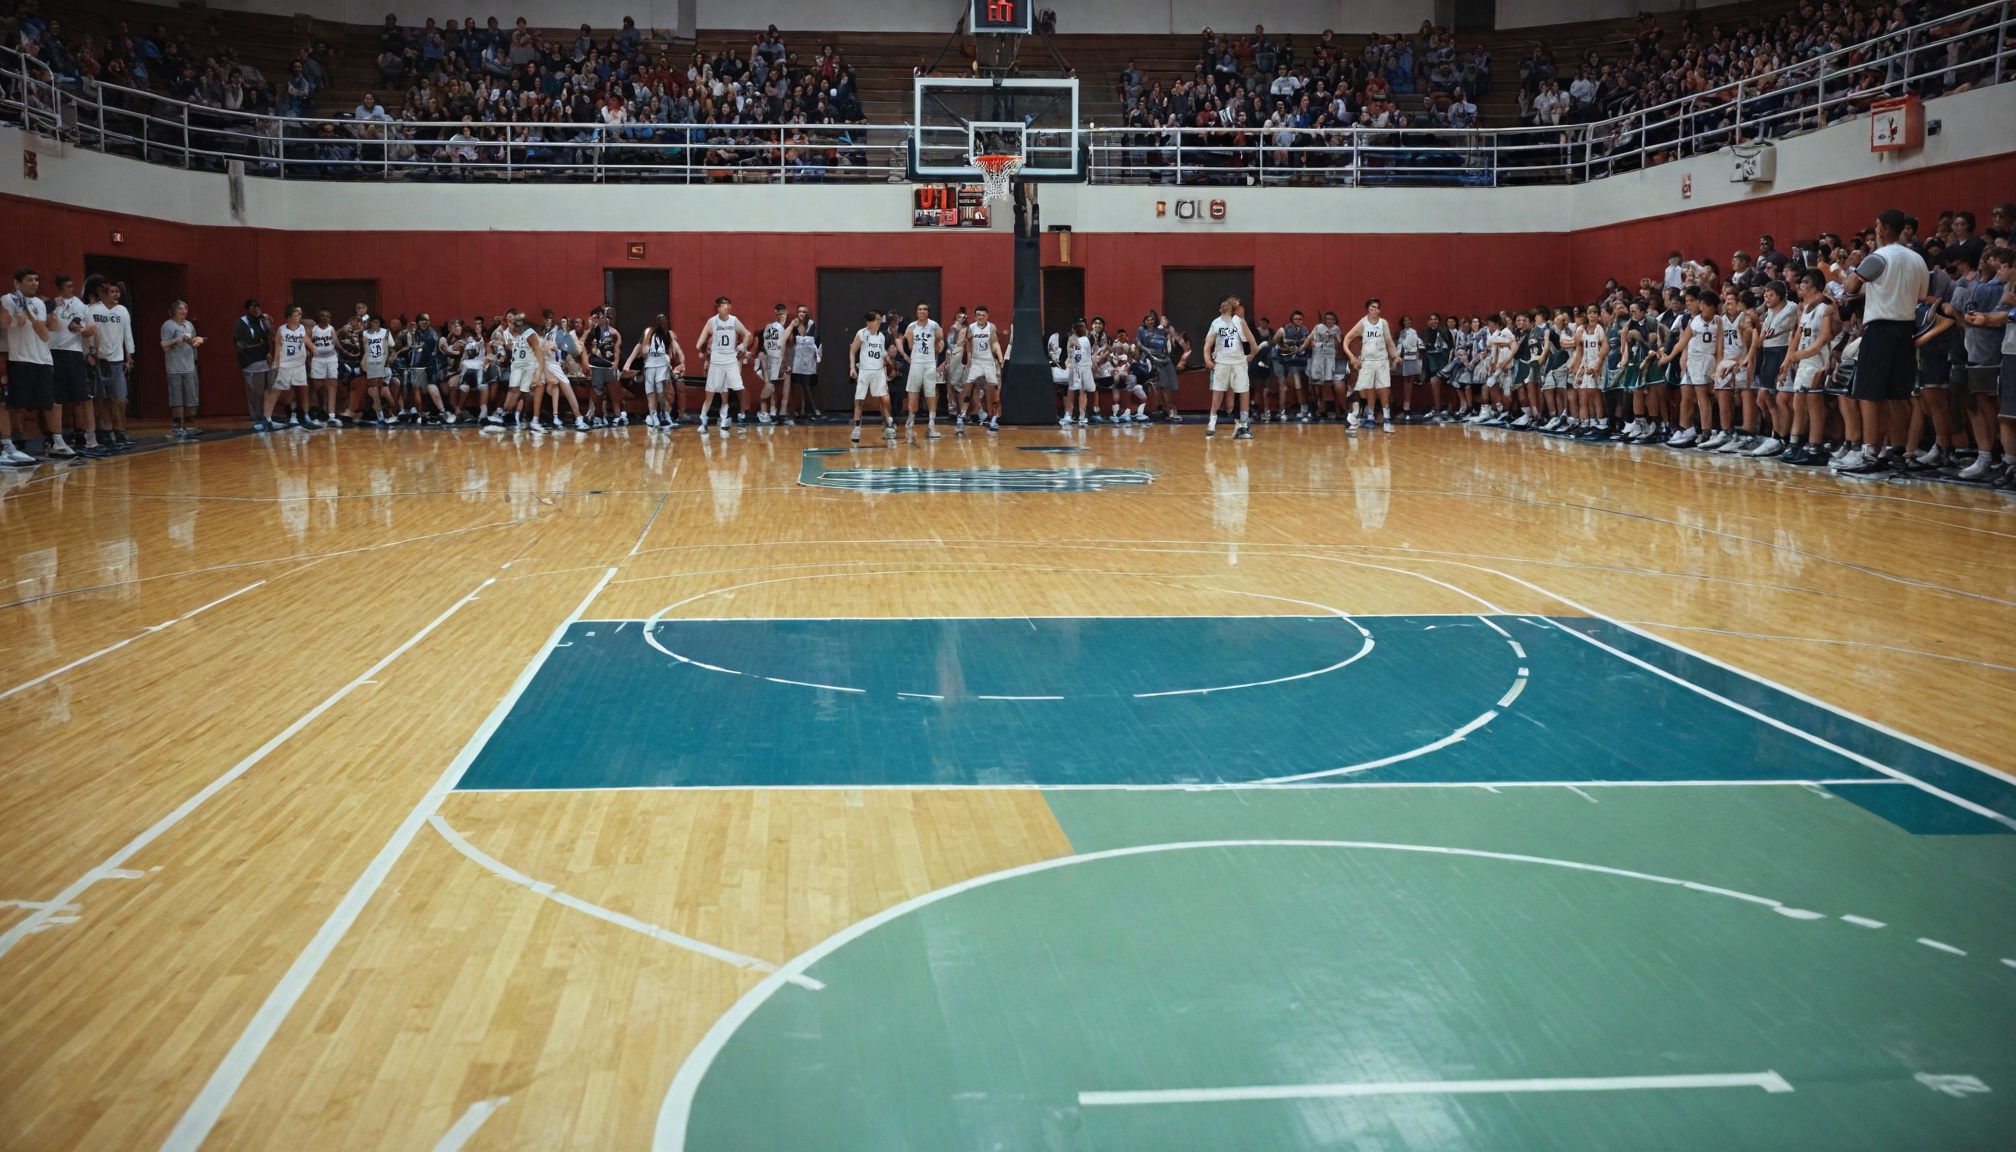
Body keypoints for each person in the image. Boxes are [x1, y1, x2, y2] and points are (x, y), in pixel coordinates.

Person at [1836, 209, 1931, 476]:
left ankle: (1869, 454)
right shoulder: (1917, 259)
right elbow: (1922, 294)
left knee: (1868, 393)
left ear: (1879, 228)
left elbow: (1851, 286)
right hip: (1905, 331)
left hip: (1879, 330)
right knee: (1899, 395)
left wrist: (1857, 269)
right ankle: (1897, 453)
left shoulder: (1878, 257)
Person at [5, 267, 68, 459]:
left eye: (36, 279)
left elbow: (44, 332)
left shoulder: (40, 304)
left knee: (48, 403)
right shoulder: (8, 299)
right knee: (18, 405)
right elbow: (8, 323)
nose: (35, 283)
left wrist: (46, 320)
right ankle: (15, 443)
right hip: (20, 359)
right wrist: (17, 315)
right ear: (18, 283)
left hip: (43, 360)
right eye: (30, 280)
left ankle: (55, 441)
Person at [1777, 269, 1838, 466]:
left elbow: (1824, 337)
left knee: (1814, 404)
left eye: (1804, 281)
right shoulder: (1805, 308)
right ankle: (1796, 444)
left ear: (1815, 285)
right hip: (1805, 361)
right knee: (1799, 404)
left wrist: (1801, 355)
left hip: (1818, 360)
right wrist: (1787, 361)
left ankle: (1815, 448)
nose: (1800, 285)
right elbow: (1798, 336)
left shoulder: (1826, 306)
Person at [49, 274, 105, 456]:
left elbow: (91, 329)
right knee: (57, 399)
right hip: (54, 353)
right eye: (67, 286)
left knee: (84, 397)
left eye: (72, 286)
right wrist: (52, 310)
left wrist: (81, 330)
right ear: (60, 288)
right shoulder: (51, 305)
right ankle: (57, 439)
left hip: (74, 354)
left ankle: (91, 437)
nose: (70, 289)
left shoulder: (80, 306)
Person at [86, 279, 136, 447]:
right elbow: (88, 334)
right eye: (113, 292)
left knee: (120, 399)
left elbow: (127, 333)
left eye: (118, 292)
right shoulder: (93, 310)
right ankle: (104, 431)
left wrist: (130, 355)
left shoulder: (122, 311)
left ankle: (120, 431)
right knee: (101, 399)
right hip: (99, 361)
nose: (116, 295)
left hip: (117, 361)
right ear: (104, 293)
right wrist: (90, 354)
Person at [695, 296, 752, 434]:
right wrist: (707, 354)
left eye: (729, 305)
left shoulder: (734, 320)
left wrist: (743, 346)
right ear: (719, 307)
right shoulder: (712, 322)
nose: (728, 308)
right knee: (710, 394)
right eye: (725, 305)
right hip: (716, 361)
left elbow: (748, 334)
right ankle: (703, 421)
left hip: (731, 360)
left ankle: (728, 417)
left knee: (736, 388)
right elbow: (698, 345)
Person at [1203, 294, 1256, 439]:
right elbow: (1208, 344)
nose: (1226, 305)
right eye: (1224, 303)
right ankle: (1212, 421)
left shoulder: (1239, 322)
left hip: (1238, 362)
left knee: (1243, 391)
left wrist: (1251, 355)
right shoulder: (1216, 323)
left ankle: (1244, 424)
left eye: (1228, 302)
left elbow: (1253, 343)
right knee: (1218, 393)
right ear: (1220, 307)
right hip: (1222, 362)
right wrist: (1207, 358)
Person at [1343, 297, 1398, 434]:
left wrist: (1395, 355)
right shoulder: (1362, 323)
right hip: (1367, 361)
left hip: (1381, 361)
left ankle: (1386, 419)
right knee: (1366, 389)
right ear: (1367, 309)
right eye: (1372, 307)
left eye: (1377, 307)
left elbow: (1389, 342)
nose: (1375, 310)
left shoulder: (1383, 323)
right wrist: (1352, 358)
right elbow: (1347, 340)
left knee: (1384, 389)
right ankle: (1366, 416)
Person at [622, 312, 683, 430]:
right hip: (650, 365)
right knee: (651, 392)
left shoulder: (669, 334)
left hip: (663, 366)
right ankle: (653, 416)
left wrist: (681, 363)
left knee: (666, 392)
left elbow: (677, 349)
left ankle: (666, 416)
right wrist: (628, 362)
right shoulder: (648, 332)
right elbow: (639, 346)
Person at [267, 304, 317, 430]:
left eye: (300, 314)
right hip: (285, 365)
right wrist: (276, 362)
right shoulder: (281, 330)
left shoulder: (302, 329)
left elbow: (308, 343)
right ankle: (278, 416)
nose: (299, 316)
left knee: (303, 389)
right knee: (282, 390)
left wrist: (315, 350)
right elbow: (278, 347)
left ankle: (304, 415)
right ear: (289, 317)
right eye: (297, 314)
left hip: (299, 365)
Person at [848, 308, 894, 443]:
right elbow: (852, 351)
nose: (879, 322)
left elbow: (882, 353)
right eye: (877, 320)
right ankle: (857, 428)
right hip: (865, 370)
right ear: (868, 322)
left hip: (879, 370)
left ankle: (888, 424)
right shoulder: (861, 334)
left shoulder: (881, 336)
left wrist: (889, 363)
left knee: (884, 399)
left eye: (880, 319)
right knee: (859, 400)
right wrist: (852, 368)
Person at [161, 299, 205, 439]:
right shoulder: (168, 325)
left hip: (189, 366)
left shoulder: (189, 325)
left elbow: (193, 342)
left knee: (190, 397)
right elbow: (164, 345)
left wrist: (198, 339)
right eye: (180, 309)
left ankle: (188, 424)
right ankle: (177, 425)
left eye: (185, 309)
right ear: (174, 311)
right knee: (177, 397)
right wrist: (178, 339)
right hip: (174, 368)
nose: (184, 312)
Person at [901, 302, 943, 437]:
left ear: (928, 312)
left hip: (930, 363)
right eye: (920, 309)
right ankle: (911, 420)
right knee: (913, 391)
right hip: (917, 363)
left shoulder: (934, 326)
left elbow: (940, 342)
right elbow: (911, 346)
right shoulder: (911, 327)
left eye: (925, 309)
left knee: (930, 393)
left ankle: (931, 424)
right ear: (916, 312)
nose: (922, 311)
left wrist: (937, 346)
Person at [234, 299, 272, 427]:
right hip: (250, 363)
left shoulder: (263, 321)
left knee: (264, 391)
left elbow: (270, 337)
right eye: (253, 308)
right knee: (253, 392)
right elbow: (241, 344)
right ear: (247, 309)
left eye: (258, 308)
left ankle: (264, 415)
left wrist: (269, 323)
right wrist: (258, 343)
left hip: (264, 361)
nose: (256, 310)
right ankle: (255, 417)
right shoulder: (241, 323)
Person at [964, 305, 1001, 433]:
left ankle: (993, 419)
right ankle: (966, 416)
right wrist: (969, 359)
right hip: (976, 362)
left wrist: (1001, 359)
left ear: (987, 316)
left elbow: (995, 344)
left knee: (993, 391)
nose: (981, 317)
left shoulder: (992, 327)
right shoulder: (971, 328)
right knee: (970, 390)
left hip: (988, 362)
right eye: (978, 315)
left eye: (983, 315)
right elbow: (968, 345)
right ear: (975, 316)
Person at [586, 307, 625, 426]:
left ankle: (619, 416)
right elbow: (582, 344)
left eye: (596, 317)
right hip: (596, 365)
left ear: (602, 316)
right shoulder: (592, 331)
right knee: (597, 392)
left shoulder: (613, 332)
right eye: (593, 318)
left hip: (609, 366)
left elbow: (617, 349)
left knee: (614, 392)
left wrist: (616, 362)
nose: (595, 320)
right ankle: (598, 416)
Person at [783, 304, 819, 425]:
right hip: (797, 358)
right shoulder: (794, 325)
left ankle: (813, 408)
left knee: (808, 384)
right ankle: (803, 409)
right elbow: (791, 342)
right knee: (799, 384)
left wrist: (818, 356)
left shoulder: (811, 325)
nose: (802, 314)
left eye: (804, 312)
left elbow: (816, 341)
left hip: (808, 359)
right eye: (799, 311)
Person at [307, 309, 343, 426]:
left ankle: (331, 415)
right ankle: (315, 413)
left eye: (327, 316)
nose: (325, 317)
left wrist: (347, 353)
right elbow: (307, 343)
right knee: (317, 386)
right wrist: (308, 359)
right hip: (318, 359)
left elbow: (336, 344)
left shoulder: (331, 329)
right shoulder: (313, 329)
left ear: (330, 319)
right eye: (322, 315)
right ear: (318, 318)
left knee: (332, 384)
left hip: (331, 358)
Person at [359, 313, 395, 427]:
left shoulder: (385, 332)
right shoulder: (364, 334)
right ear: (370, 322)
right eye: (374, 321)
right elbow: (363, 350)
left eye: (378, 322)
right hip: (370, 363)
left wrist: (388, 362)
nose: (376, 324)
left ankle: (388, 412)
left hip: (382, 363)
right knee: (374, 389)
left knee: (382, 389)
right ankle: (378, 413)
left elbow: (391, 347)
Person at [1276, 310, 1310, 423]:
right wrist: (1295, 342)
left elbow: (1306, 340)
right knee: (1295, 384)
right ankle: (1298, 408)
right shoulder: (1285, 329)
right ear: (1291, 320)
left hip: (1304, 359)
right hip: (1290, 361)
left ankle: (1305, 408)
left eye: (1300, 319)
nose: (1298, 321)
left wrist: (1296, 342)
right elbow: (1283, 343)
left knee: (1306, 384)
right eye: (1296, 319)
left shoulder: (1304, 329)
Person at [757, 304, 788, 424]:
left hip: (771, 357)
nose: (781, 315)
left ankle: (772, 411)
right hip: (772, 358)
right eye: (780, 313)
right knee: (770, 385)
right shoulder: (777, 327)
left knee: (773, 386)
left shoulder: (772, 327)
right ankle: (763, 411)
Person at [1062, 318, 1095, 426]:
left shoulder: (1085, 339)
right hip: (1074, 368)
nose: (1084, 329)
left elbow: (1079, 350)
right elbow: (1070, 355)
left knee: (1082, 390)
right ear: (1074, 329)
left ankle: (1082, 415)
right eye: (1081, 327)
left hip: (1084, 367)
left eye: (1084, 327)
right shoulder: (1071, 339)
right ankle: (1068, 414)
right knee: (1071, 389)